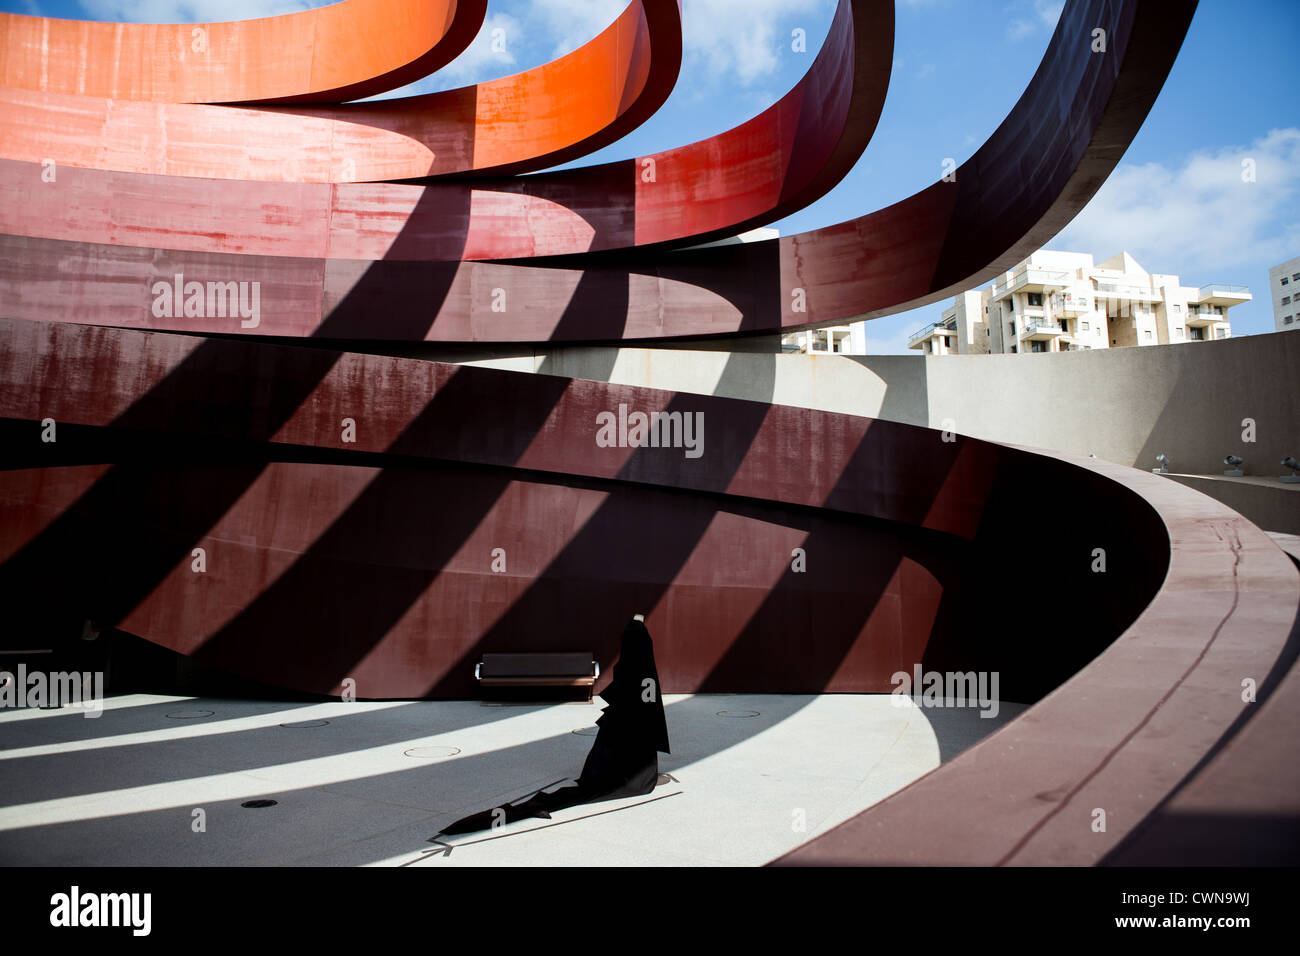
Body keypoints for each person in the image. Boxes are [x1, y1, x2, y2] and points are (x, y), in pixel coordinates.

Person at [440, 614, 670, 835]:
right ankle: (630, 772)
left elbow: (634, 683)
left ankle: (617, 771)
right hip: (632, 714)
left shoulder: (632, 659)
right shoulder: (641, 662)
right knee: (622, 751)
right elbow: (645, 694)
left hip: (626, 713)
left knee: (614, 749)